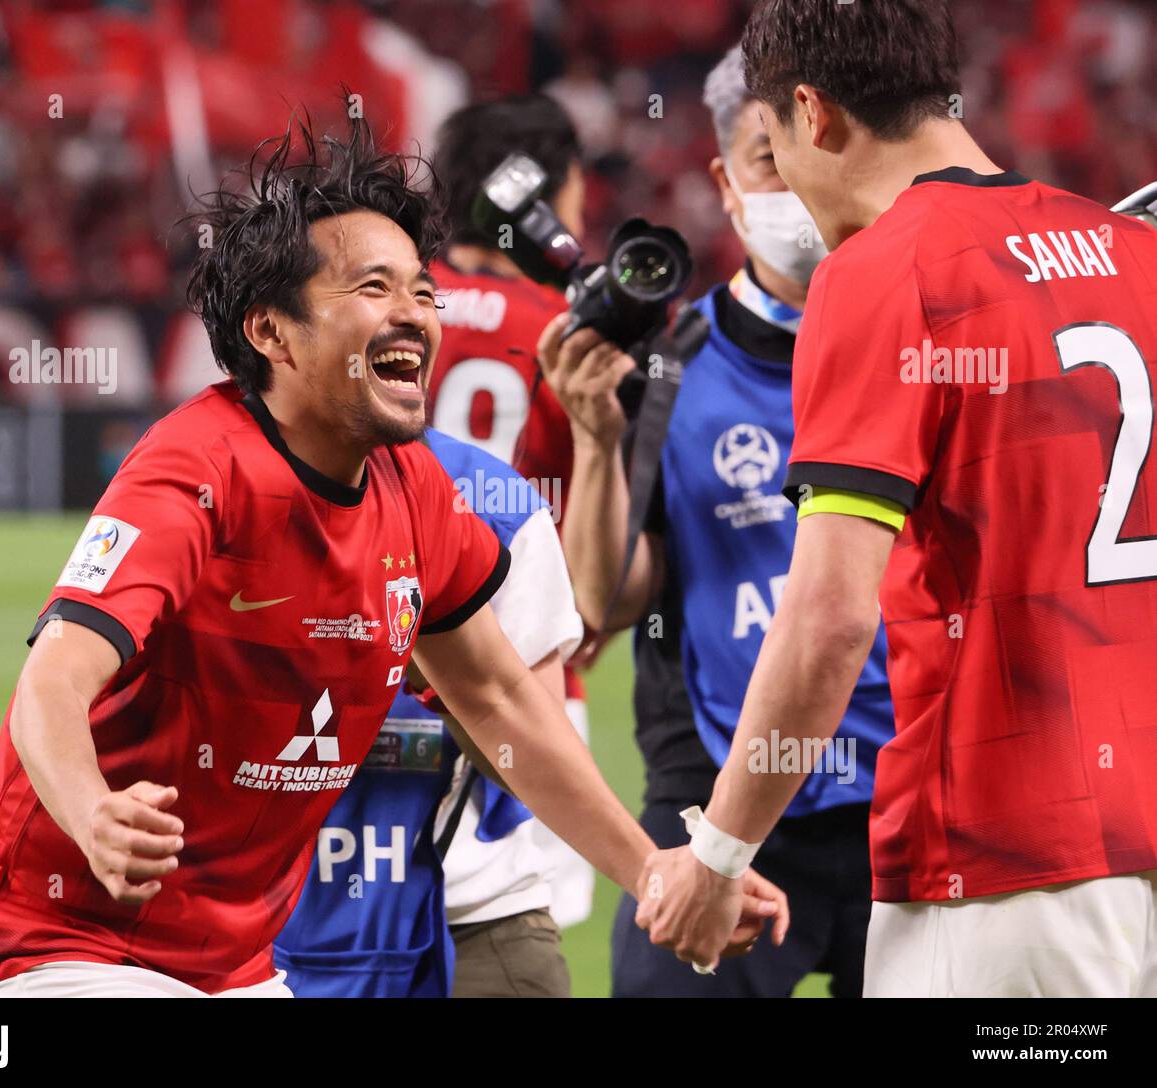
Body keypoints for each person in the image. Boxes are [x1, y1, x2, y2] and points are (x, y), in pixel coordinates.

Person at [0, 111, 782, 998]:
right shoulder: (195, 467)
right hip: (60, 946)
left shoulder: (414, 490)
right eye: (374, 288)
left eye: (423, 291)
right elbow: (52, 680)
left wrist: (654, 869)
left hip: (233, 969)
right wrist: (94, 815)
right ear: (271, 332)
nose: (417, 315)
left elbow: (500, 700)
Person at [638, 0, 1157, 997]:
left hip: (1001, 862)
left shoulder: (883, 270)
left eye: (777, 147)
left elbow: (830, 616)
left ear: (811, 112)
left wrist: (718, 852)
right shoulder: (1131, 253)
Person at [538, 45, 882, 998]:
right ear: (726, 186)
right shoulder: (666, 364)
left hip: (910, 796)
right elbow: (598, 609)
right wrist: (596, 444)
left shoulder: (925, 349)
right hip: (715, 798)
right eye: (762, 160)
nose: (792, 180)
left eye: (802, 150)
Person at [271, 428, 581, 998]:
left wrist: (439, 667)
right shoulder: (208, 479)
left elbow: (542, 771)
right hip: (249, 929)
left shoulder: (496, 503)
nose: (407, 334)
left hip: (475, 919)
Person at [426, 95, 597, 992]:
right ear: (534, 192)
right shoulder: (561, 328)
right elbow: (588, 515)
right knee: (520, 940)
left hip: (382, 667)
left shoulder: (387, 305)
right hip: (531, 673)